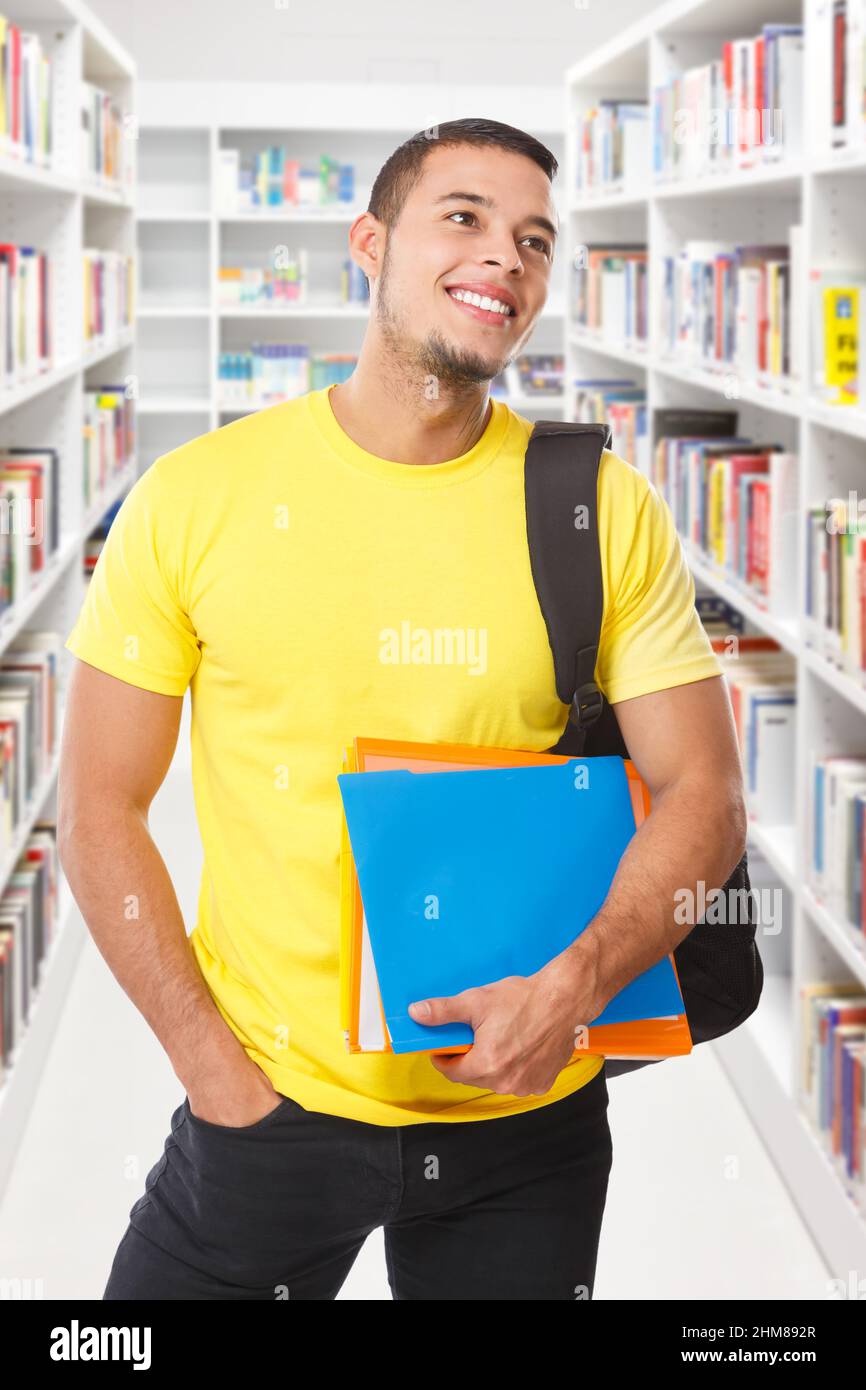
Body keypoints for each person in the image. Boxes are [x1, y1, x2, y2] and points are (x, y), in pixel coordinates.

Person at [58, 117, 747, 1301]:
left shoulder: (598, 507)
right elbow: (96, 807)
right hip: (265, 1110)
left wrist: (575, 988)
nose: (505, 260)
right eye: (464, 218)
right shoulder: (195, 499)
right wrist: (210, 1070)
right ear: (368, 244)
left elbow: (705, 796)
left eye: (533, 240)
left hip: (528, 1110)